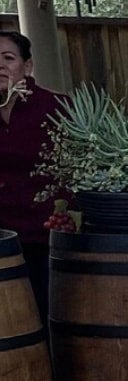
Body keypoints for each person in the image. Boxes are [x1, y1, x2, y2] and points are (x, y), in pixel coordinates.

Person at [0, 30, 66, 324]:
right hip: (3, 236)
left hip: (44, 234)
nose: (0, 66)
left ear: (27, 66)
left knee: (45, 316)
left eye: (8, 58)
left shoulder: (55, 108)